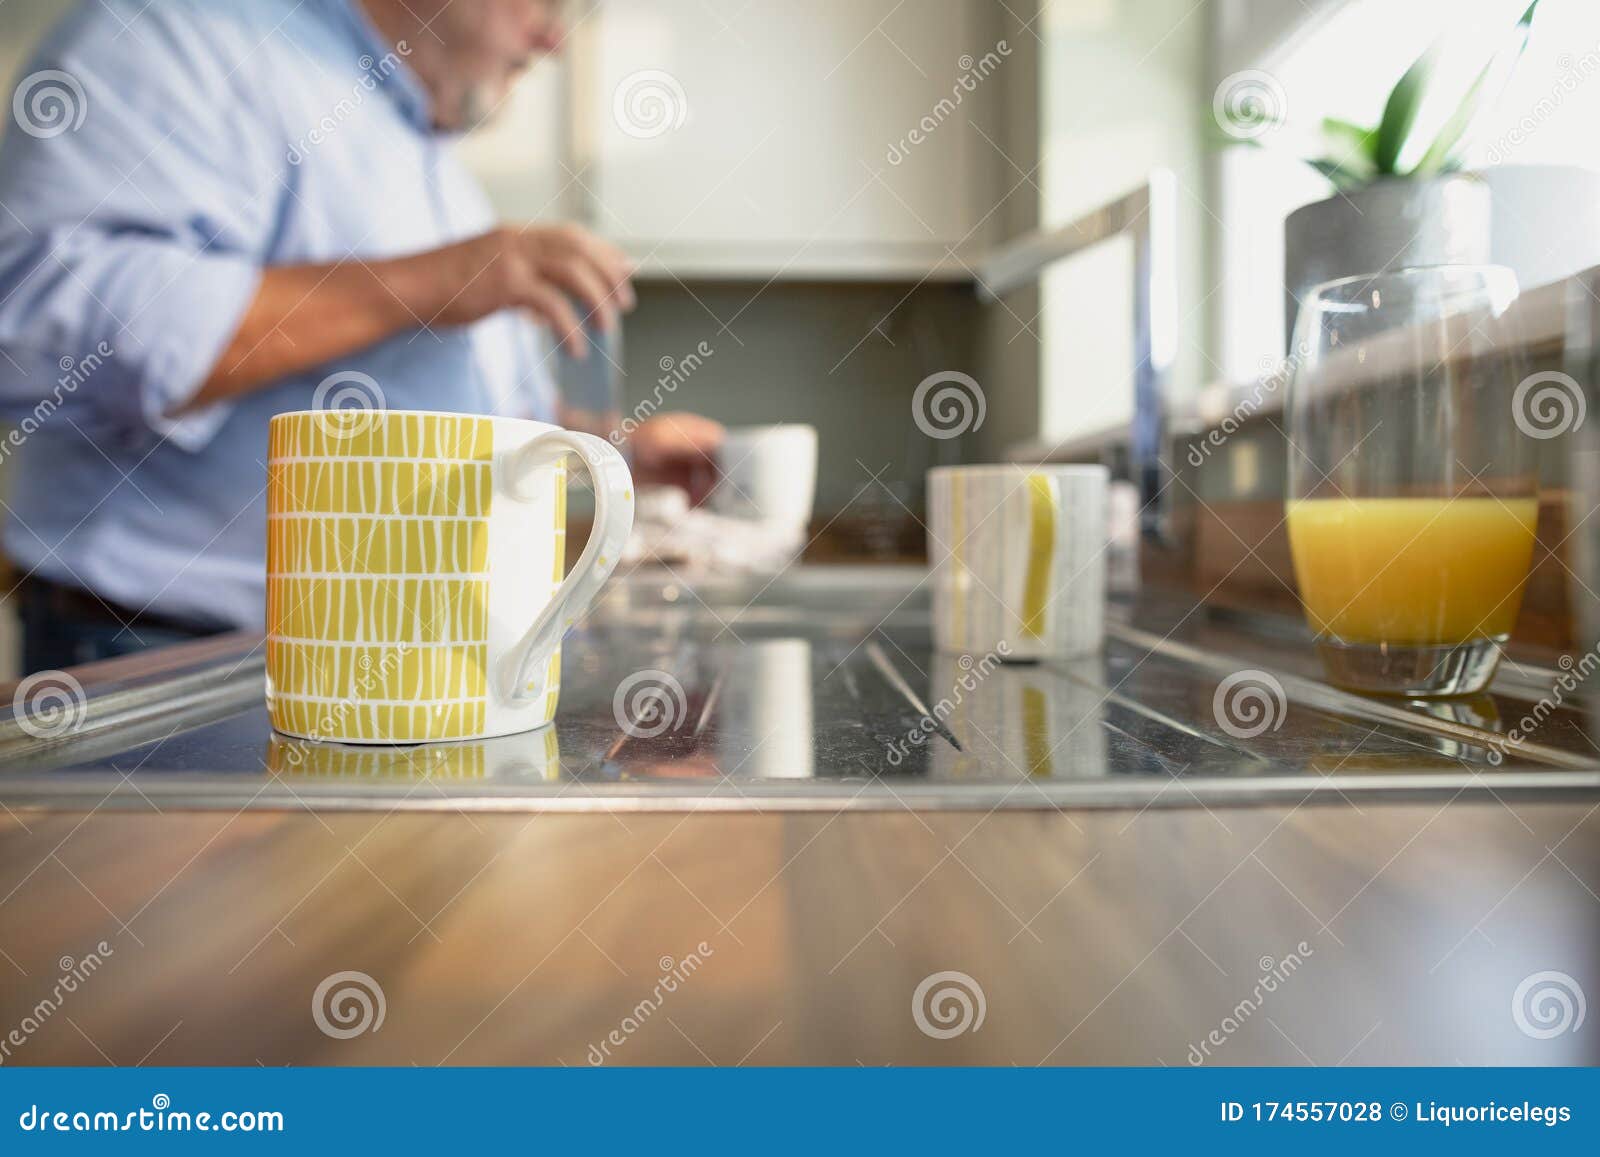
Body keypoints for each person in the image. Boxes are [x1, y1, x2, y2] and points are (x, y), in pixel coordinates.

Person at [0, 0, 723, 671]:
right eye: (543, 1)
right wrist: (430, 281)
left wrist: (608, 451)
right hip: (173, 660)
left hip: (392, 666)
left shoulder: (422, 151)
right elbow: (39, 320)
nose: (552, 39)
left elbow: (433, 420)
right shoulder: (178, 38)